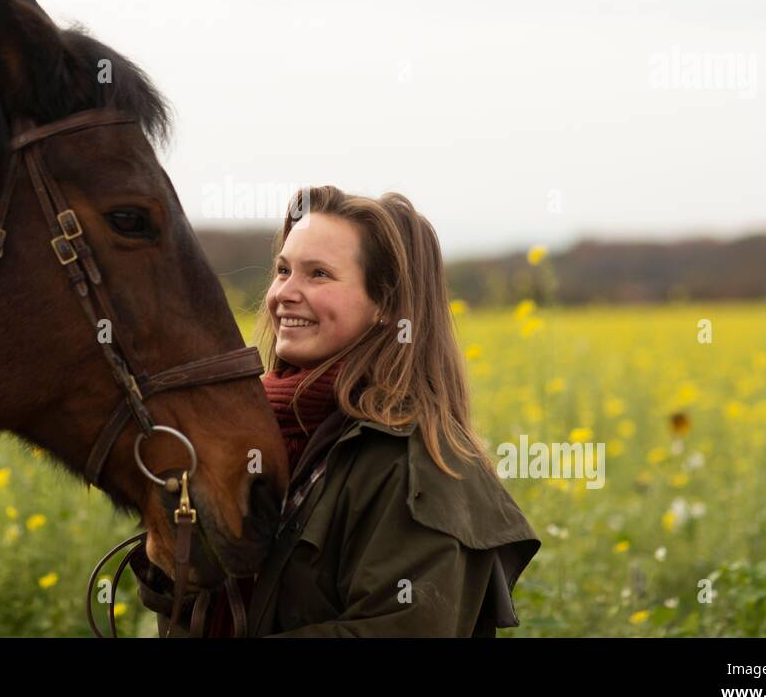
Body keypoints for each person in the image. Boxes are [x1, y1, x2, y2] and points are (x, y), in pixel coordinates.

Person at [129, 185, 541, 636]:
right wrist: (174, 543)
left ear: (385, 305)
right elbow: (184, 601)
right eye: (283, 270)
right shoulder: (250, 433)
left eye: (318, 274)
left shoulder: (417, 462)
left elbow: (400, 630)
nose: (285, 293)